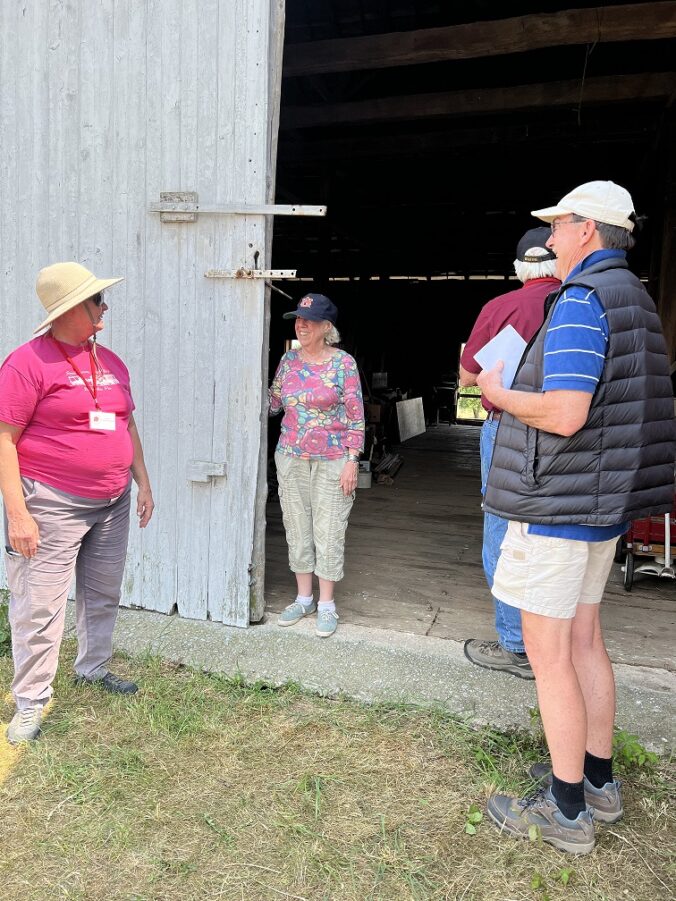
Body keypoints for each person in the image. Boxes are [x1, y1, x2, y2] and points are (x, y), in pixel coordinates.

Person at [477, 182, 675, 854]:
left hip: (560, 506)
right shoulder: (635, 298)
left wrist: (500, 393)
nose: (550, 241)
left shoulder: (584, 301)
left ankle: (566, 813)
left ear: (586, 229)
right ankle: (597, 781)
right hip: (600, 505)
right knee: (585, 641)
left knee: (550, 655)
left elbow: (565, 412)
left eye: (557, 227)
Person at [0, 262, 154, 744]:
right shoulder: (26, 364)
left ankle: (93, 667)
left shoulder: (111, 362)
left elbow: (125, 424)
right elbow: (5, 440)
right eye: (96, 301)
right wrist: (18, 514)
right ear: (70, 308)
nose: (104, 307)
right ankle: (30, 702)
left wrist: (143, 483)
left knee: (102, 592)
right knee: (39, 606)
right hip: (51, 503)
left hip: (112, 501)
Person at [459, 228, 560, 679]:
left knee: (502, 530)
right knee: (558, 532)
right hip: (570, 429)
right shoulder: (586, 303)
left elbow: (466, 377)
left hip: (509, 429)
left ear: (520, 268)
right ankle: (555, 645)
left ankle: (516, 645)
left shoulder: (501, 307)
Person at [269, 293, 365, 638]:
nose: (301, 325)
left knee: (329, 529)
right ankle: (304, 598)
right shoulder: (288, 361)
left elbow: (356, 417)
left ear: (327, 327)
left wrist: (353, 461)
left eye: (308, 320)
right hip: (291, 456)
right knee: (296, 525)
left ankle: (326, 604)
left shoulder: (343, 364)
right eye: (298, 319)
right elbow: (274, 404)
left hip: (333, 459)